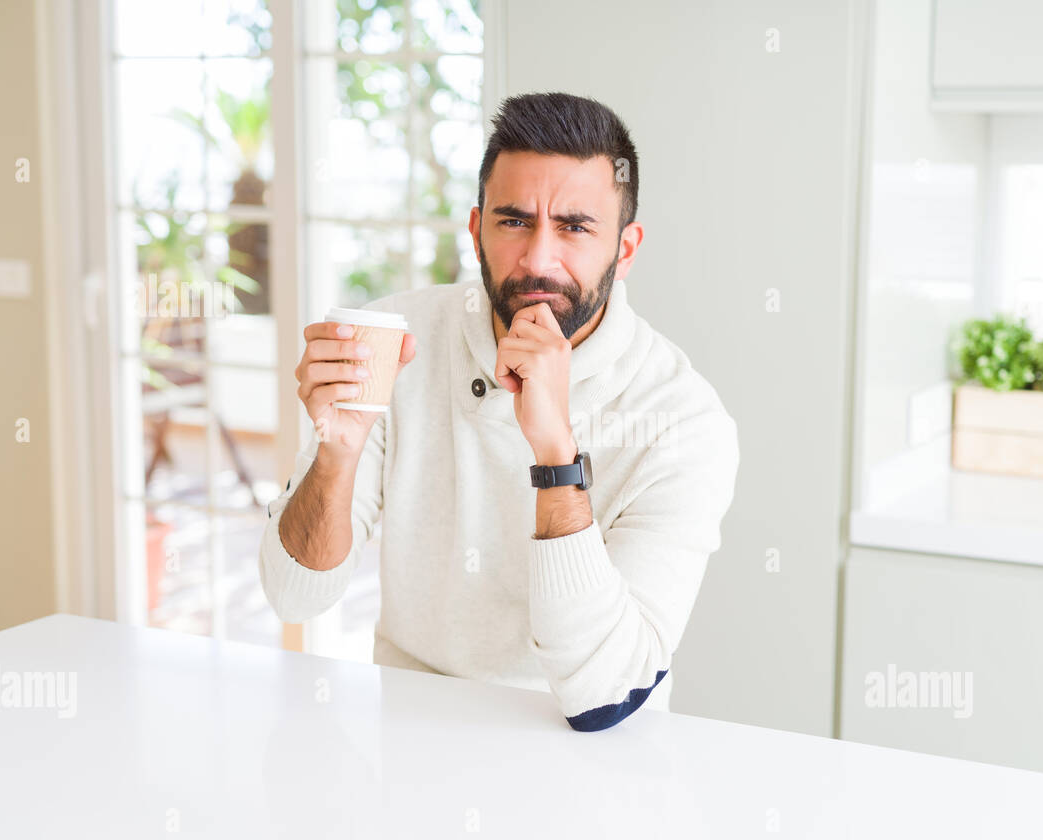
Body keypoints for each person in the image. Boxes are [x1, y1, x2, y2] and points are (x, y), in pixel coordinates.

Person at [259, 92, 739, 731]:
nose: (539, 259)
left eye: (575, 226)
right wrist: (336, 452)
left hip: (591, 761)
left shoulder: (682, 419)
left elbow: (604, 695)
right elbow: (294, 598)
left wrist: (555, 453)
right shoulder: (398, 344)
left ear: (625, 250)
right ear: (475, 229)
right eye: (514, 222)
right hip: (412, 734)